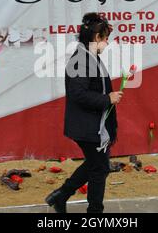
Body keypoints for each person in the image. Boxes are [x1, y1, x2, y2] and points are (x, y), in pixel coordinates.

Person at [45, 12, 122, 213]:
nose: (107, 43)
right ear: (96, 38)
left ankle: (60, 196)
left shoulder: (89, 56)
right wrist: (107, 99)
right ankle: (93, 212)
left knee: (95, 165)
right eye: (105, 38)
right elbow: (77, 93)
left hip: (92, 125)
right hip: (87, 127)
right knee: (100, 168)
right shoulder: (81, 60)